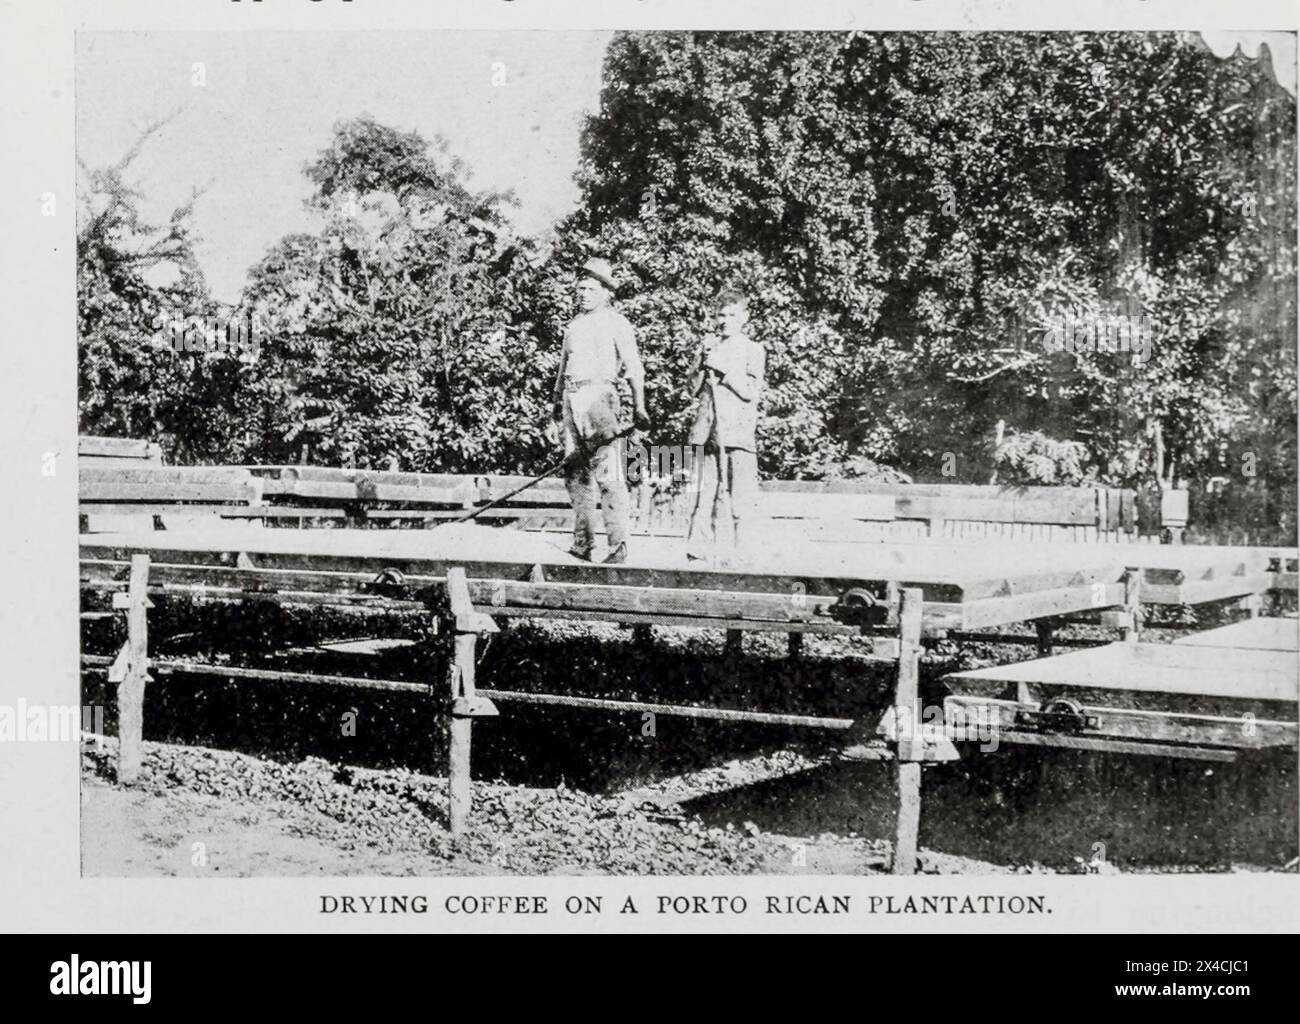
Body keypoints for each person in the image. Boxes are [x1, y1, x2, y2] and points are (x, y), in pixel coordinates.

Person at [552, 257, 650, 563]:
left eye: (591, 289)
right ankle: (582, 543)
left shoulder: (617, 323)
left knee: (609, 474)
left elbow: (634, 367)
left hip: (602, 399)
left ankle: (618, 545)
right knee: (575, 474)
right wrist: (556, 408)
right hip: (572, 399)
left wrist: (640, 406)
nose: (583, 294)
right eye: (580, 288)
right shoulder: (573, 326)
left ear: (606, 292)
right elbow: (562, 369)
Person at [686, 286, 766, 564]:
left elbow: (750, 391)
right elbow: (692, 389)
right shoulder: (709, 347)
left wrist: (724, 369)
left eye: (732, 315)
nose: (724, 321)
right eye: (721, 315)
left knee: (741, 499)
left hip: (737, 435)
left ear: (745, 317)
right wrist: (701, 361)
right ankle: (698, 551)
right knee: (703, 497)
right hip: (707, 433)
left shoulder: (753, 349)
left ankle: (743, 554)